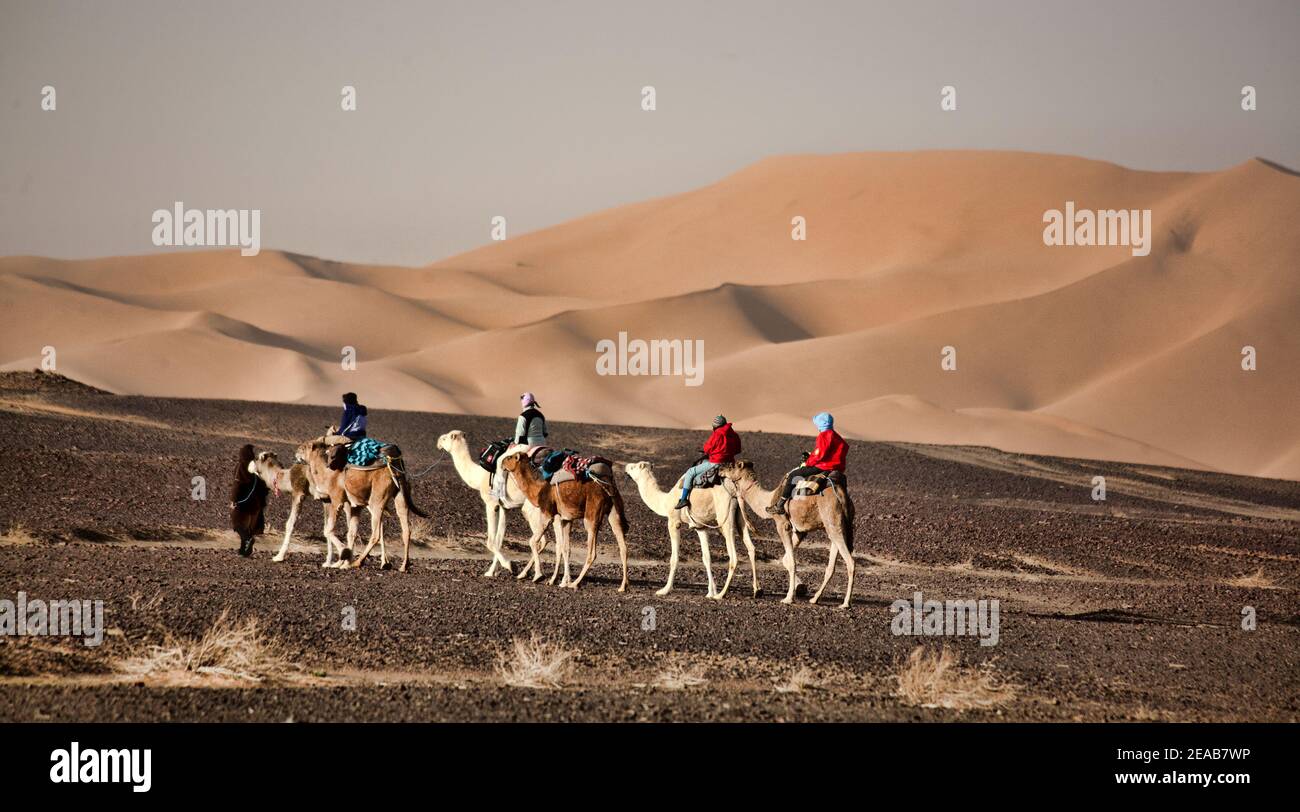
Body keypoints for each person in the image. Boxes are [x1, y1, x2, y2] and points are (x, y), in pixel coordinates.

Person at [767, 411, 848, 515]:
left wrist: (808, 462)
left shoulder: (824, 436)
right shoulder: (838, 437)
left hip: (824, 467)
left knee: (793, 475)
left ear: (820, 424)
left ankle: (780, 505)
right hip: (837, 468)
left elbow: (820, 454)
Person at [673, 415, 741, 510]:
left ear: (715, 425)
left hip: (717, 462)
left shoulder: (717, 433)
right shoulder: (734, 434)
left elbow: (708, 448)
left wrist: (710, 451)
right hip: (730, 463)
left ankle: (683, 499)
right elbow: (738, 450)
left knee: (690, 472)